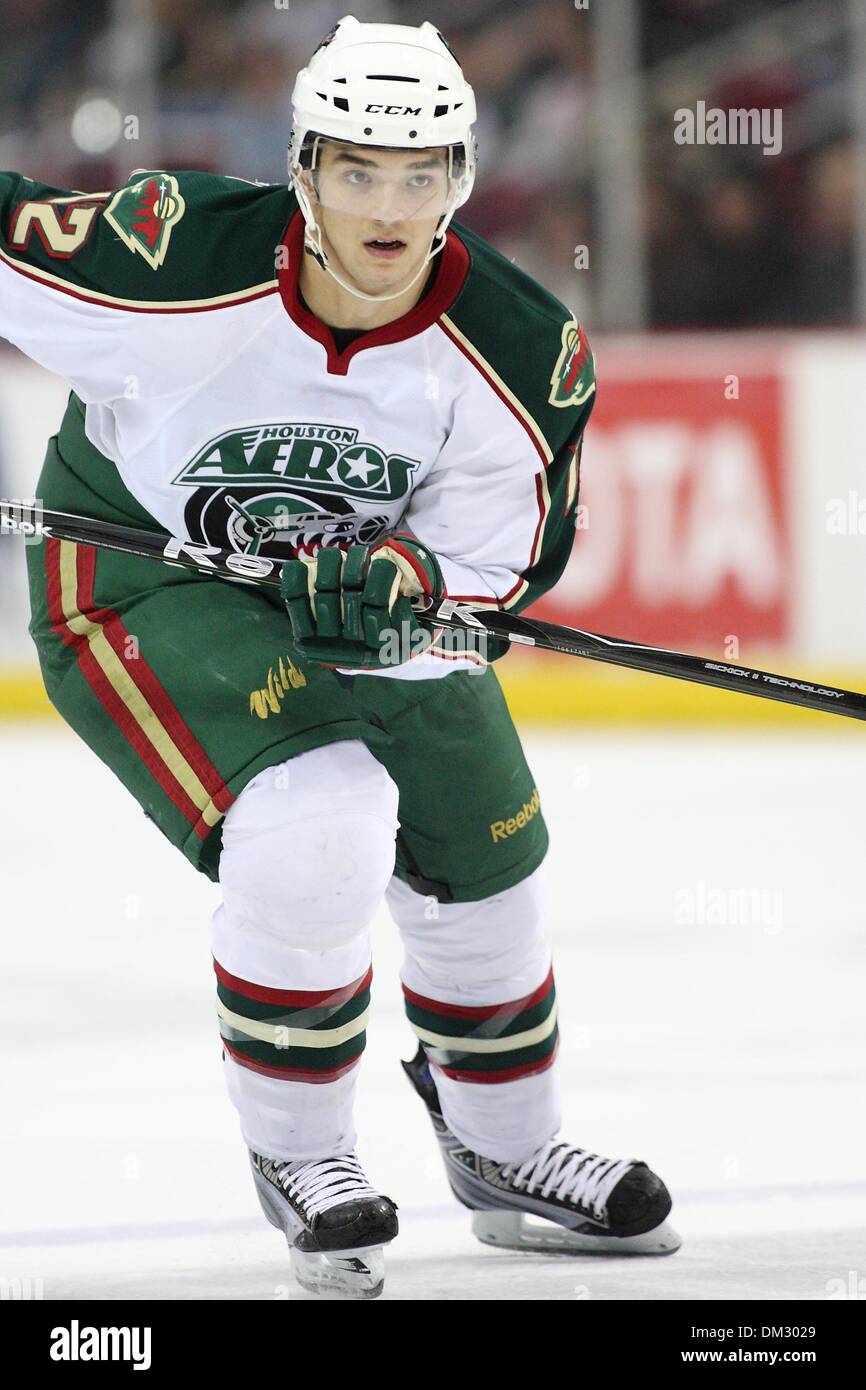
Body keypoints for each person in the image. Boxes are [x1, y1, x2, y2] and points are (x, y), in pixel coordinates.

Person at [1, 15, 678, 1298]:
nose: (387, 207)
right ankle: (302, 1153)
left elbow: (503, 548)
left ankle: (508, 1148)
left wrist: (414, 578)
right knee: (320, 819)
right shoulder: (171, 257)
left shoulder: (516, 348)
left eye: (419, 174)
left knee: (484, 853)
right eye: (357, 170)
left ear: (460, 177)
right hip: (146, 572)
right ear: (301, 167)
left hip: (363, 597)